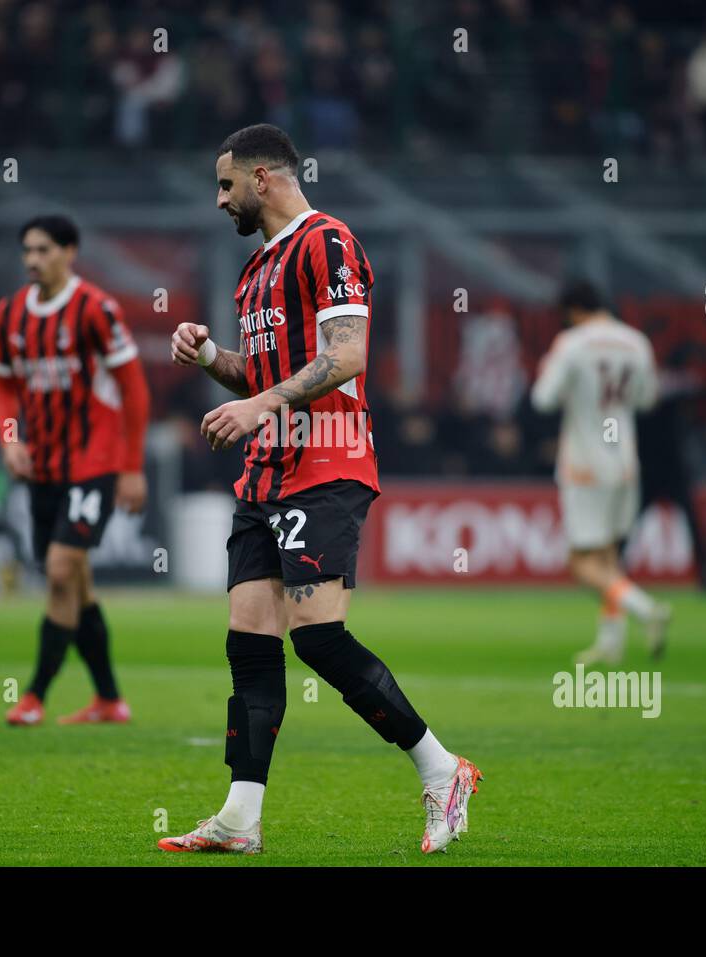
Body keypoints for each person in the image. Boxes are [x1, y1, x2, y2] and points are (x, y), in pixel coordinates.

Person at [162, 123, 481, 856]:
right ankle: (240, 818)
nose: (219, 201)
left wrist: (258, 406)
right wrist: (212, 356)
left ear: (263, 178)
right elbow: (265, 375)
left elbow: (347, 355)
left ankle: (441, 768)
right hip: (264, 473)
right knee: (249, 639)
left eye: (226, 184)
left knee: (319, 639)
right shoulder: (253, 272)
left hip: (327, 466)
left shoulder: (328, 242)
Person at [0, 215, 150, 727]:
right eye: (27, 250)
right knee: (74, 582)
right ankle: (109, 700)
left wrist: (131, 467)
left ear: (69, 252)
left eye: (43, 250)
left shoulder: (96, 310)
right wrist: (12, 441)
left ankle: (34, 695)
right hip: (43, 468)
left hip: (94, 462)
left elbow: (133, 389)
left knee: (60, 570)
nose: (32, 260)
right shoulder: (9, 314)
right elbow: (3, 387)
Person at [531, 279, 671, 665]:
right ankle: (611, 643)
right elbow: (647, 398)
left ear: (573, 310)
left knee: (580, 563)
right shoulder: (636, 342)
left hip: (584, 464)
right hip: (624, 462)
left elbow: (542, 399)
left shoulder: (572, 344)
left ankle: (647, 610)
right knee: (608, 555)